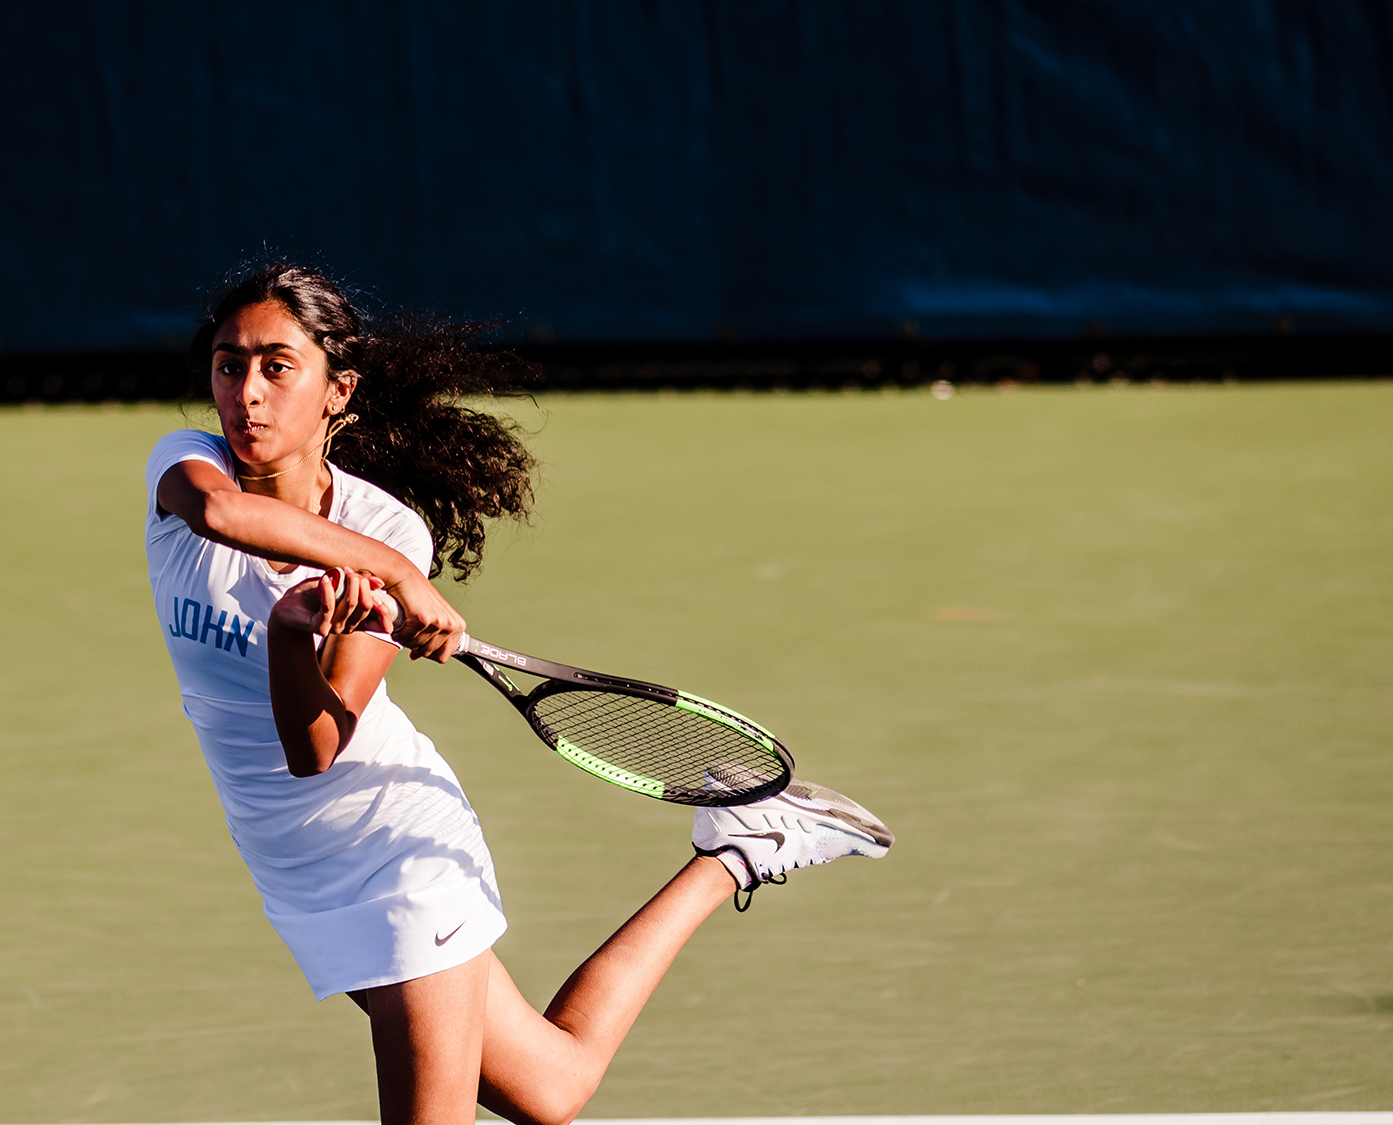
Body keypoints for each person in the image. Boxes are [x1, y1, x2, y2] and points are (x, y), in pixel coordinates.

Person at [144, 263, 894, 1125]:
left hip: (396, 852)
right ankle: (741, 844)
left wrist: (305, 625)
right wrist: (344, 595)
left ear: (335, 390)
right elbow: (225, 519)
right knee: (554, 1087)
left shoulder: (391, 527)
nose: (247, 393)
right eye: (229, 365)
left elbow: (315, 750)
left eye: (278, 366)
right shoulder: (187, 468)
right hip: (291, 867)